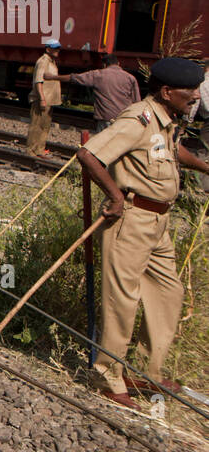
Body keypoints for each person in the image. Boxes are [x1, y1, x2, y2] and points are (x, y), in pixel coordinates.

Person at [77, 57, 209, 408]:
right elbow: (89, 154)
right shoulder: (138, 119)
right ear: (167, 92)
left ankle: (143, 370)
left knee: (168, 293)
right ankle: (109, 377)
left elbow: (170, 151)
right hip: (131, 221)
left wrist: (205, 167)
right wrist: (115, 196)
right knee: (122, 301)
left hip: (159, 224)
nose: (196, 96)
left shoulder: (166, 121)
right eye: (190, 91)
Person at [46, 54, 139, 132]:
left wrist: (52, 77)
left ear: (104, 65)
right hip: (124, 120)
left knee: (103, 147)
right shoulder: (131, 78)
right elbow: (137, 102)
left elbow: (73, 78)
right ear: (119, 64)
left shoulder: (97, 75)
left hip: (106, 119)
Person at [27, 39, 62, 157]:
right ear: (48, 49)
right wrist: (42, 98)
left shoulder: (52, 62)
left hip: (49, 100)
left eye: (58, 48)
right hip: (42, 99)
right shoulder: (43, 61)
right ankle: (31, 150)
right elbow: (38, 81)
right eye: (55, 48)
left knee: (45, 127)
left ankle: (40, 149)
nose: (58, 50)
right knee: (36, 126)